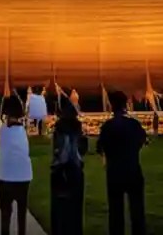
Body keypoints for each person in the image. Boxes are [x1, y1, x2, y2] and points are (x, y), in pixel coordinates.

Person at [97, 90, 148, 235]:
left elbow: (101, 148)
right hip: (133, 169)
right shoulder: (134, 124)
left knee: (115, 212)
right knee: (137, 211)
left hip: (114, 172)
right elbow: (142, 141)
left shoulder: (107, 126)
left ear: (112, 105)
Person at [0, 95, 32, 235]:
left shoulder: (3, 131)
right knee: (21, 212)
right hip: (23, 176)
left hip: (5, 176)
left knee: (5, 212)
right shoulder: (22, 132)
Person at [50, 97, 88, 235]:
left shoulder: (59, 128)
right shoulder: (78, 128)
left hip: (60, 170)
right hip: (75, 169)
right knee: (75, 209)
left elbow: (57, 150)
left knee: (59, 208)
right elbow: (82, 149)